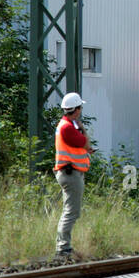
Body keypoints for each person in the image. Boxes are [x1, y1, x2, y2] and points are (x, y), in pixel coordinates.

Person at [53, 92, 90, 257]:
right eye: (80, 108)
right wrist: (82, 129)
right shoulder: (68, 127)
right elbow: (84, 142)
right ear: (75, 110)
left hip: (70, 172)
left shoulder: (66, 125)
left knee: (71, 210)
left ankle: (64, 246)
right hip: (70, 173)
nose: (81, 111)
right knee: (71, 211)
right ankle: (63, 247)